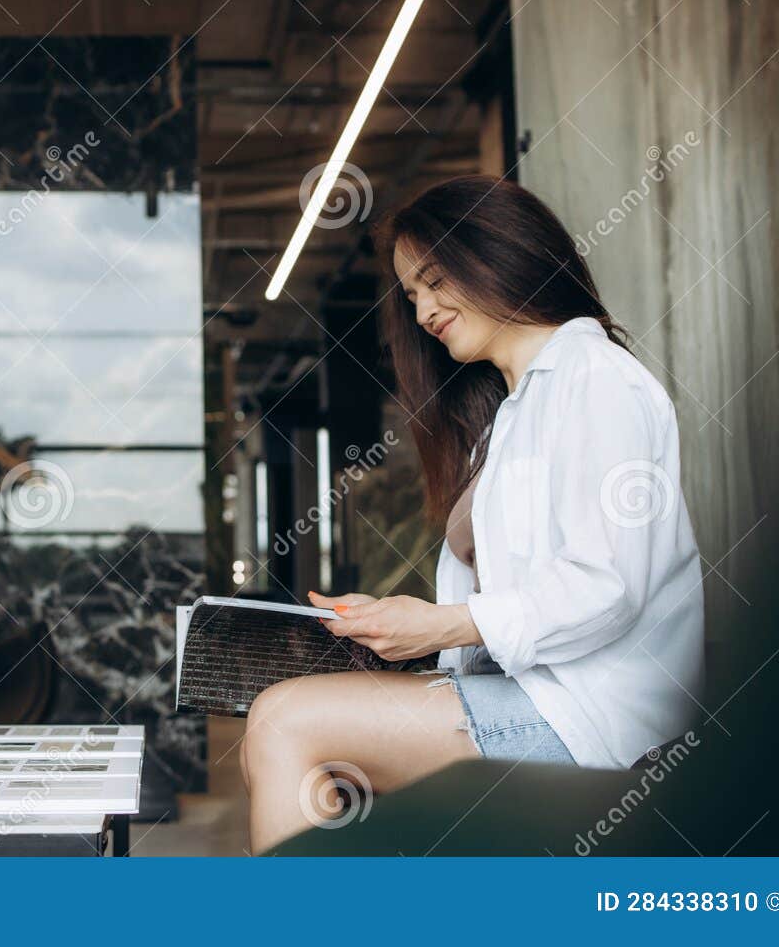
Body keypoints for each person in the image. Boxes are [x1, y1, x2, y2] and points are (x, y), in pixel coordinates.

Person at [241, 175, 705, 853]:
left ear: (499, 253)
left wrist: (441, 624)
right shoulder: (506, 415)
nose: (424, 310)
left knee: (287, 723)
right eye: (412, 295)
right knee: (295, 748)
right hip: (531, 695)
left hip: (591, 716)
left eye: (434, 281)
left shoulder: (595, 380)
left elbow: (609, 584)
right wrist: (407, 630)